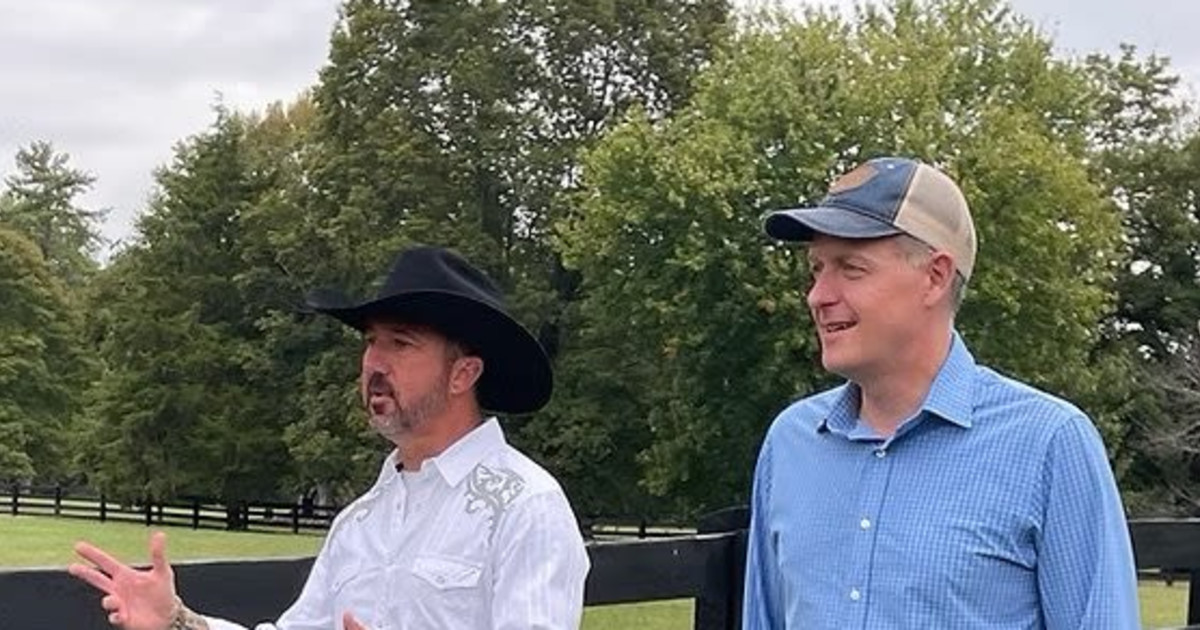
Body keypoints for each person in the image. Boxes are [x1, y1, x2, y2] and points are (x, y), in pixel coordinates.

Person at [69, 245, 590, 630]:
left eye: (401, 344)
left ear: (463, 375)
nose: (374, 363)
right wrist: (180, 621)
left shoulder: (526, 507)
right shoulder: (361, 521)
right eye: (370, 343)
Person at [743, 157, 1139, 629]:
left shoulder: (1049, 445)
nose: (817, 295)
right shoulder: (792, 442)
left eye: (850, 268)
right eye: (816, 269)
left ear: (935, 276)